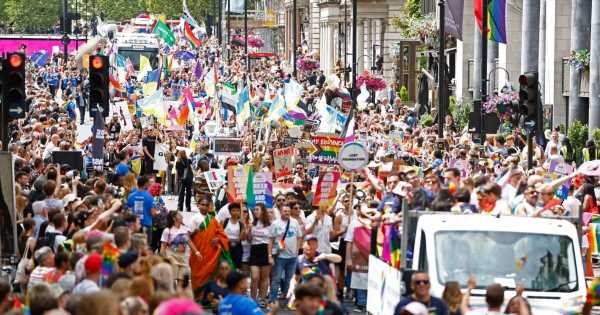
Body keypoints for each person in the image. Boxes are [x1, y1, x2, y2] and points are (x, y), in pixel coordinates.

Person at [188, 196, 230, 293]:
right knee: (197, 276)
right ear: (198, 205)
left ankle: (207, 298)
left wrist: (218, 238)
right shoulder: (194, 219)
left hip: (211, 254)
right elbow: (188, 237)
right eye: (202, 205)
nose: (205, 207)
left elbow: (221, 234)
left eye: (207, 205)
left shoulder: (212, 219)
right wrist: (196, 252)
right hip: (198, 254)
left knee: (210, 275)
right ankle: (197, 297)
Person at [269, 204, 302, 304]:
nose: (287, 213)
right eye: (285, 211)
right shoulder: (275, 223)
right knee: (276, 279)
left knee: (290, 280)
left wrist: (297, 250)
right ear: (281, 212)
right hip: (280, 256)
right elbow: (271, 239)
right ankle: (272, 300)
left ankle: (289, 301)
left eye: (288, 211)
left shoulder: (295, 222)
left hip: (293, 257)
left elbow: (299, 236)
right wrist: (269, 255)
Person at [248, 203, 273, 304]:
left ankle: (262, 299)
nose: (255, 211)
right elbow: (249, 239)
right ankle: (253, 299)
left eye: (257, 209)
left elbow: (273, 240)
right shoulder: (252, 224)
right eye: (254, 210)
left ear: (263, 211)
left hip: (265, 251)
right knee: (254, 277)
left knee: (264, 278)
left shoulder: (270, 224)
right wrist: (248, 230)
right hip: (254, 250)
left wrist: (270, 255)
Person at [126, 175, 157, 245]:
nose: (149, 185)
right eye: (148, 183)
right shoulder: (149, 197)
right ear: (145, 184)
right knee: (146, 246)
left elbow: (127, 211)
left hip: (134, 225)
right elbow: (153, 213)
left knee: (133, 245)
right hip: (146, 225)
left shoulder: (131, 196)